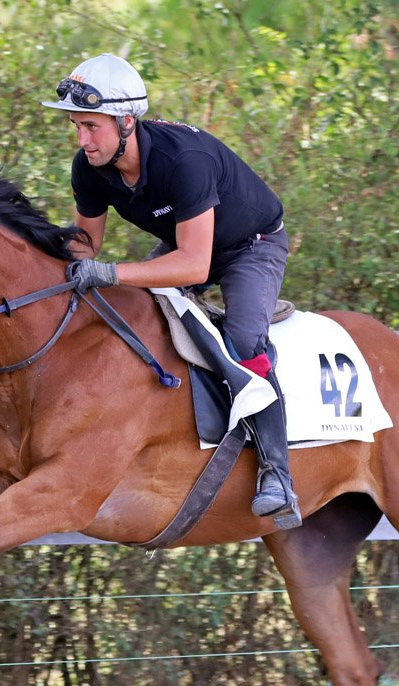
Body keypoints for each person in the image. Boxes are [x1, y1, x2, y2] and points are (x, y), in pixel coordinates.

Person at [41, 53, 300, 529]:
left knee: (244, 339)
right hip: (188, 243)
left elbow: (194, 265)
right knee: (138, 315)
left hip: (251, 245)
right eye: (76, 126)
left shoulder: (184, 161)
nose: (82, 140)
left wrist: (111, 273)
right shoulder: (89, 166)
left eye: (91, 127)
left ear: (126, 121)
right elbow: (84, 247)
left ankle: (278, 476)